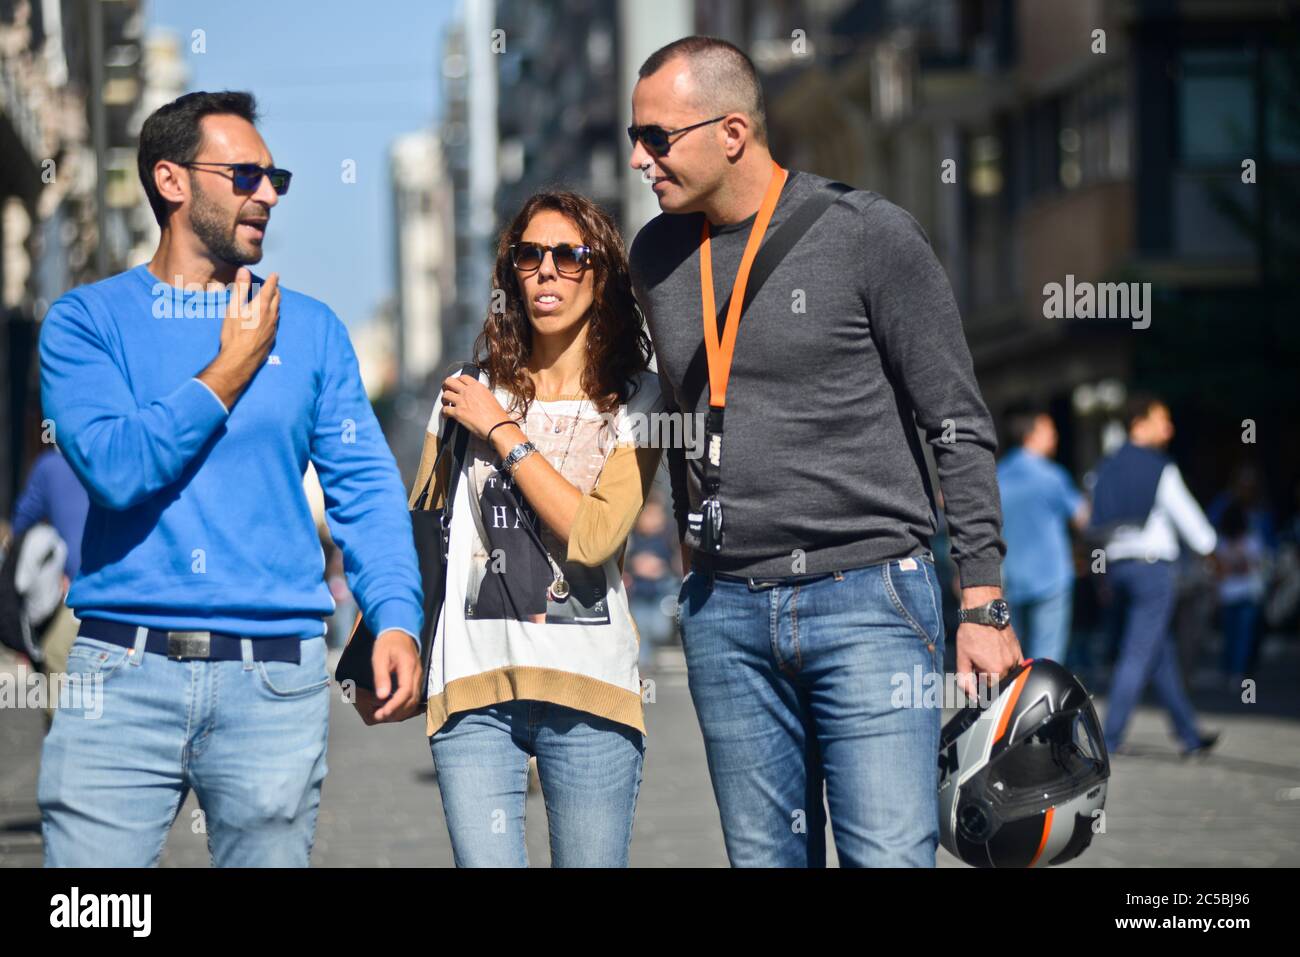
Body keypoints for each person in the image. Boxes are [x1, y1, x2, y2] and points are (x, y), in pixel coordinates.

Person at [626, 36, 1020, 867]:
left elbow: (956, 418)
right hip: (725, 612)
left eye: (657, 137)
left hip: (868, 597)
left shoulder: (869, 236)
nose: (638, 158)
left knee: (885, 856)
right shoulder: (658, 257)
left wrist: (982, 599)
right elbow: (676, 410)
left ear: (732, 131)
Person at [37, 91, 423, 867]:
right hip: (118, 671)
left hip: (275, 678)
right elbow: (116, 468)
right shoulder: (86, 322)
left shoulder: (310, 328)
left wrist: (397, 614)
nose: (269, 193)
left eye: (274, 175)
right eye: (245, 174)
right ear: (172, 182)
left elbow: (365, 484)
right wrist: (227, 371)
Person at [353, 191, 664, 868]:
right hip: (474, 692)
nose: (547, 270)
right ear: (511, 275)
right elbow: (423, 530)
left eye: (568, 255)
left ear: (601, 273)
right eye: (530, 255)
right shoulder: (465, 389)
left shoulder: (639, 398)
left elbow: (595, 536)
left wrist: (503, 430)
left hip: (590, 690)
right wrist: (392, 636)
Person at [1089, 392, 1220, 757]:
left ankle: (1189, 734)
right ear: (1140, 422)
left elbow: (1093, 524)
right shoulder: (1160, 467)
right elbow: (1191, 521)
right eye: (1162, 419)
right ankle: (1109, 739)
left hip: (1117, 569)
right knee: (1137, 654)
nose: (1169, 427)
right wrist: (1212, 550)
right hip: (1152, 570)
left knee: (1159, 653)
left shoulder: (1106, 467)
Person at [996, 404, 1089, 664]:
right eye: (1050, 431)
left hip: (1012, 579)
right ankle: (1042, 704)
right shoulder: (1052, 476)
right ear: (1032, 434)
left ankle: (1016, 703)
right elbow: (1083, 518)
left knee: (1016, 659)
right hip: (1051, 577)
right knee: (1047, 659)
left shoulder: (997, 474)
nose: (1055, 437)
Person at [10, 446, 89, 724]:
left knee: (60, 709)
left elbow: (21, 525)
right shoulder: (134, 455)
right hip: (128, 610)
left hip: (71, 603)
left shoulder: (52, 465)